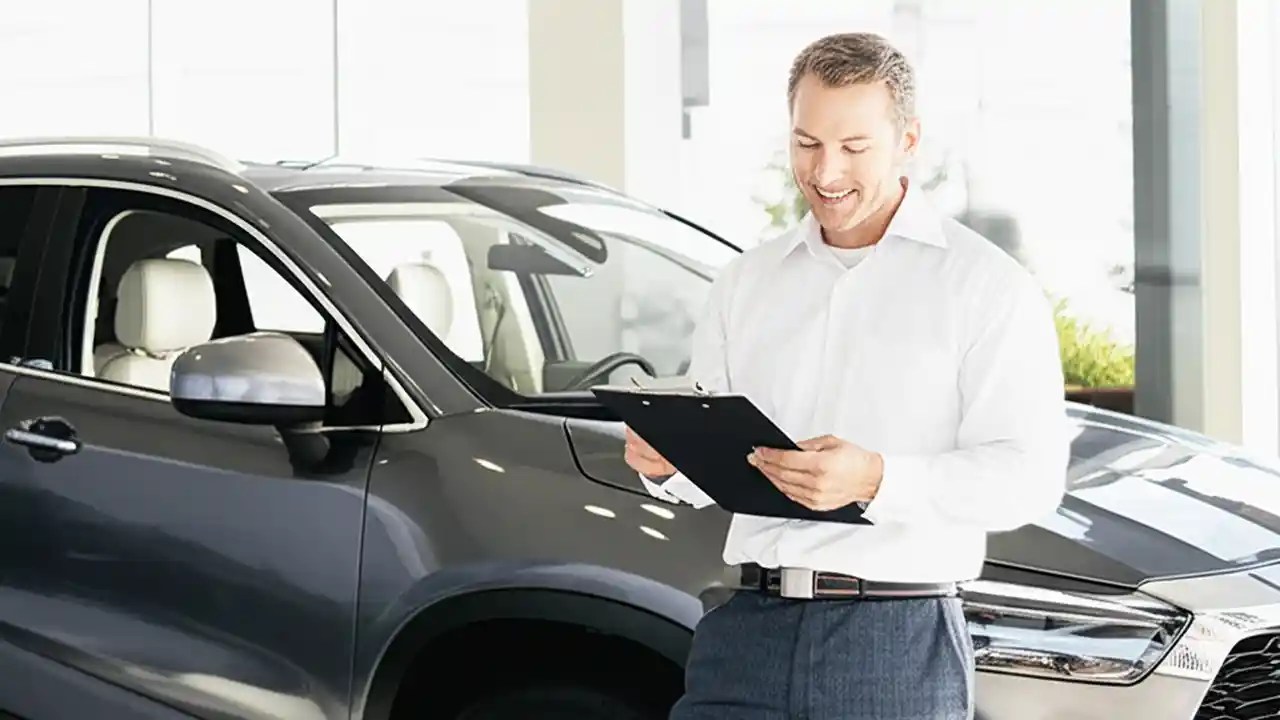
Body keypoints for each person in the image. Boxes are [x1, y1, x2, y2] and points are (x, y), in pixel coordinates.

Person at [624, 32, 1069, 719]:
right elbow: (712, 457)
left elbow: (1030, 478)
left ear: (908, 140)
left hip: (895, 639)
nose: (825, 171)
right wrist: (666, 462)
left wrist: (877, 479)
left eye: (853, 148)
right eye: (807, 144)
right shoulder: (746, 281)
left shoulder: (986, 287)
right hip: (745, 629)